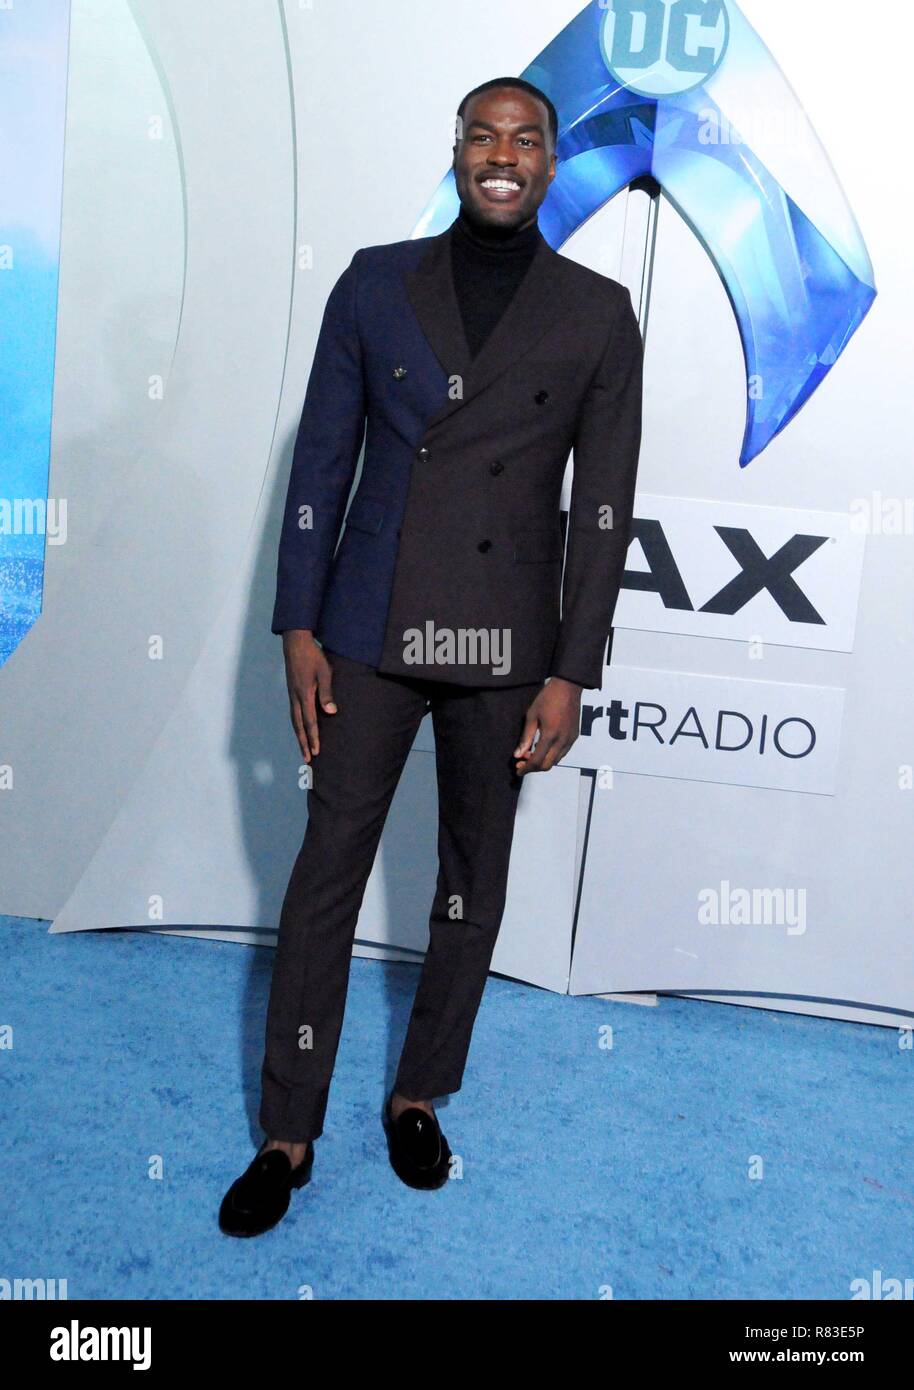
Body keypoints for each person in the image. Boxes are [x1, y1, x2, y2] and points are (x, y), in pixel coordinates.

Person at [219, 76, 644, 1237]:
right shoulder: (372, 282)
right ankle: (286, 1129)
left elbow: (602, 508)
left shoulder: (597, 313)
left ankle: (417, 1094)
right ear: (456, 152)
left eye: (524, 139)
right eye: (481, 135)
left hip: (504, 643)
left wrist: (569, 669)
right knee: (323, 880)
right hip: (366, 627)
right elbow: (319, 466)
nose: (500, 155)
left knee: (469, 879)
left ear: (553, 163)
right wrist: (298, 625)